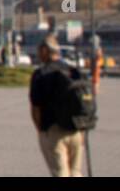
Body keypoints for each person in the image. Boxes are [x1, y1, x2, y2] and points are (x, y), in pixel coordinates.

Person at [29, 34, 85, 176]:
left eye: (39, 50)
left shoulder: (40, 74)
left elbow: (36, 108)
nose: (38, 54)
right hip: (76, 129)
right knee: (76, 172)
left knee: (60, 172)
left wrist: (41, 130)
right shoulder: (73, 71)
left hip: (53, 130)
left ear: (45, 50)